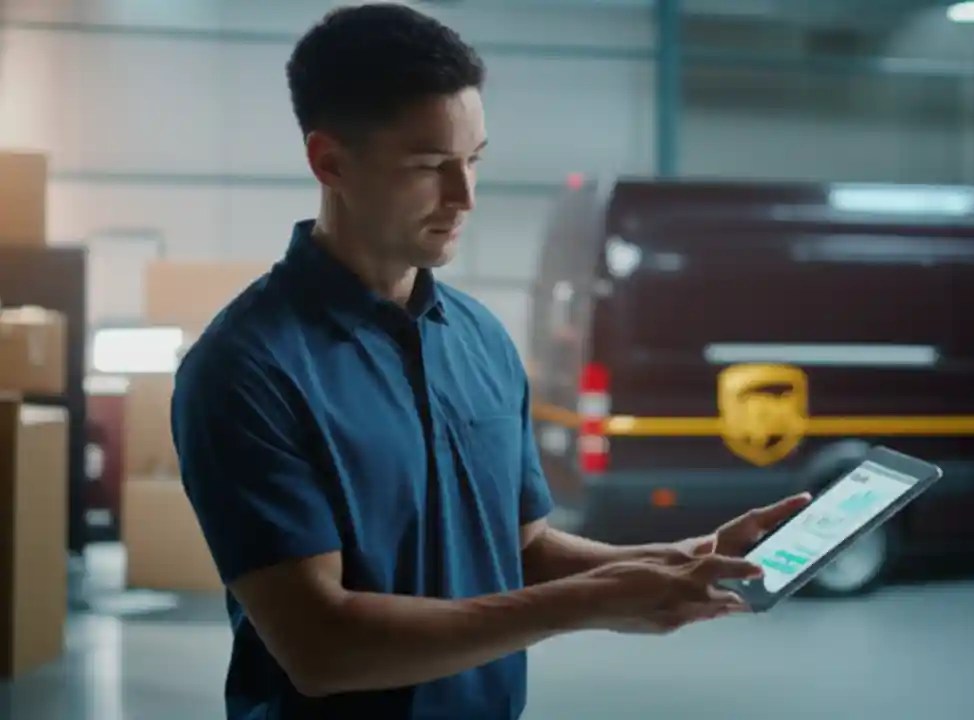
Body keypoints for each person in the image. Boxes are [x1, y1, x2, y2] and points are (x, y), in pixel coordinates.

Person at [170, 4, 811, 719]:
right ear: (329, 161)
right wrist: (593, 603)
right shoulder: (245, 370)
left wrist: (675, 560)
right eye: (428, 167)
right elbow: (321, 648)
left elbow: (521, 550)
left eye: (473, 160)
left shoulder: (478, 338)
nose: (464, 197)